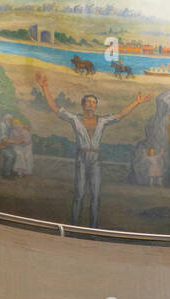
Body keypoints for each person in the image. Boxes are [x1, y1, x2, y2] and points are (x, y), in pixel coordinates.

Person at [34, 71, 149, 226]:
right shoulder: (75, 119)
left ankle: (93, 229)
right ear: (83, 104)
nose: (90, 104)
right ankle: (74, 227)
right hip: (82, 158)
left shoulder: (102, 121)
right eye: (88, 101)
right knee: (79, 194)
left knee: (95, 196)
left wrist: (137, 102)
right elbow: (55, 108)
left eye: (93, 102)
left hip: (95, 160)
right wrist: (45, 87)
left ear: (96, 106)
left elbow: (121, 115)